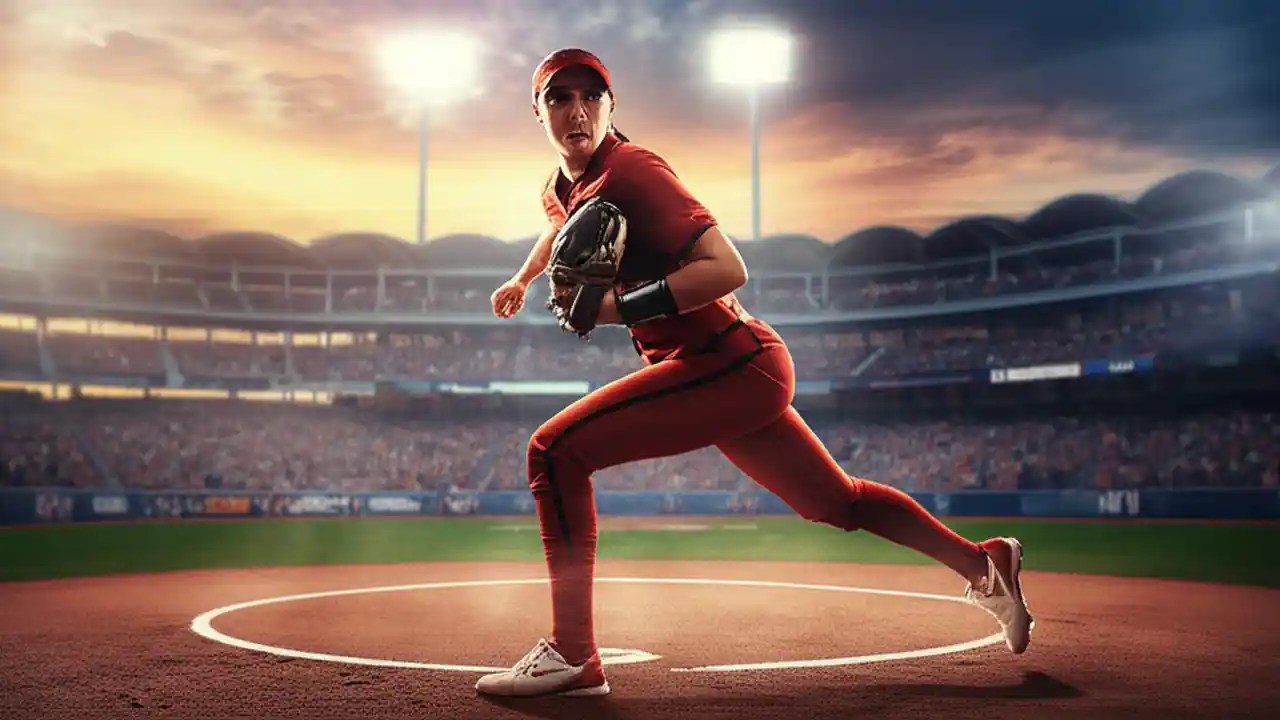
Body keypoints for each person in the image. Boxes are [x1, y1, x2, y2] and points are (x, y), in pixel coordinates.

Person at [476, 48, 1033, 698]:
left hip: (728, 361)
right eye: (559, 97)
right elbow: (560, 224)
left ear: (611, 105)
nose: (576, 110)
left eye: (590, 96)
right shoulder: (561, 185)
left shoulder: (635, 171)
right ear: (537, 109)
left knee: (554, 452)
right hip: (722, 371)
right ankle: (984, 562)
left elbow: (727, 268)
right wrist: (523, 277)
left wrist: (616, 307)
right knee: (837, 502)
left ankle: (574, 655)